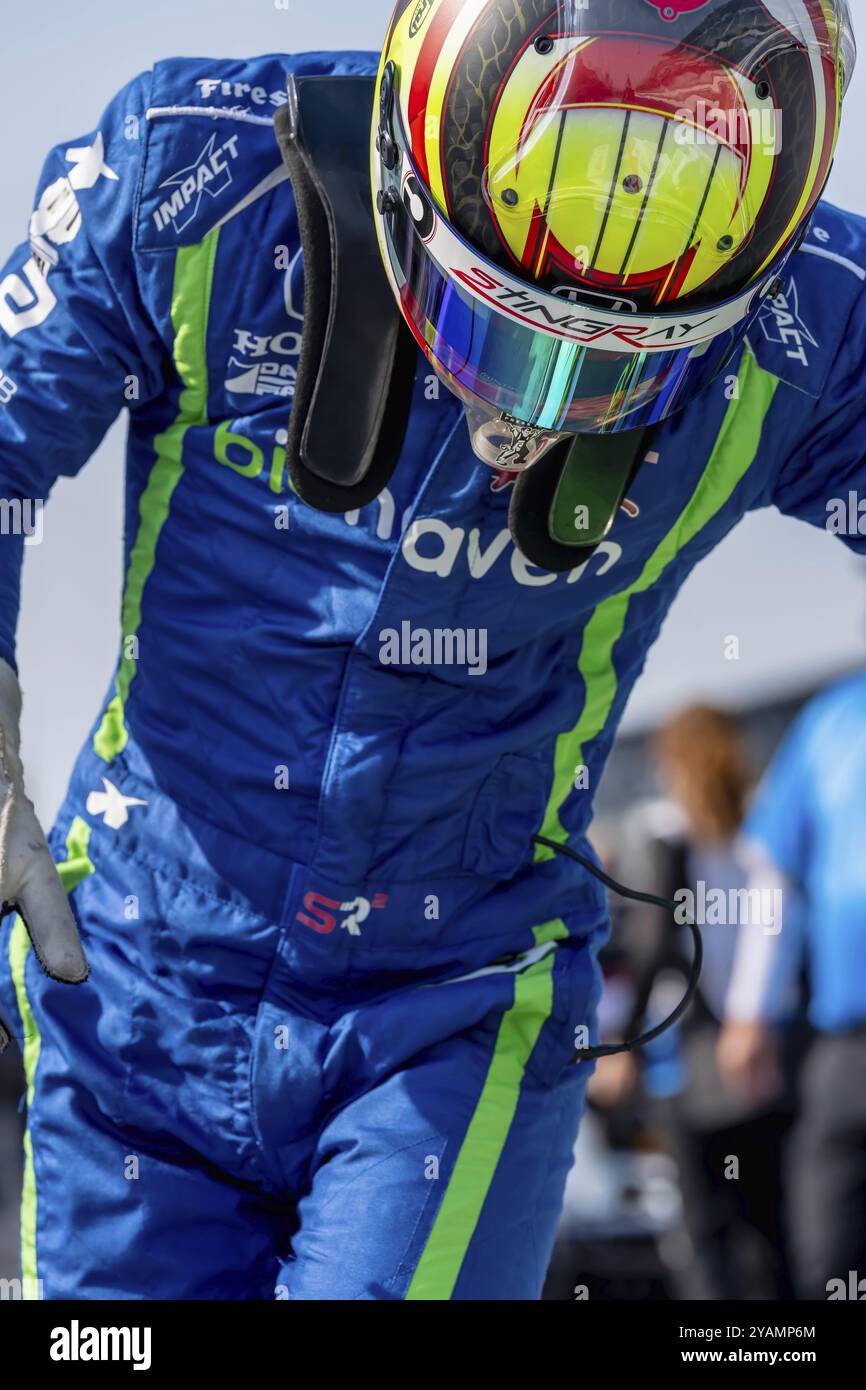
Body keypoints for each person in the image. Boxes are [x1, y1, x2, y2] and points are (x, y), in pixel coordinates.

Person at [0, 1, 861, 1300]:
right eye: (499, 331)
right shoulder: (197, 180)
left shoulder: (806, 329)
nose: (522, 416)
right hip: (131, 980)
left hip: (456, 1014)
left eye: (601, 371)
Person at [620, 707, 796, 1300]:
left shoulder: (668, 834)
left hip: (697, 1059)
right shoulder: (763, 829)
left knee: (707, 1230)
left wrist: (621, 1048)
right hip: (763, 1048)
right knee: (770, 1225)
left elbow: (648, 949)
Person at [720, 671, 866, 1299]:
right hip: (846, 1040)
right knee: (827, 1252)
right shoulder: (832, 717)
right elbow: (773, 874)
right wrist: (749, 1013)